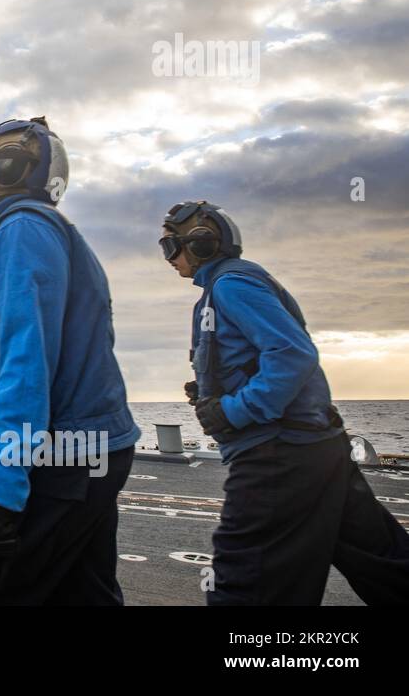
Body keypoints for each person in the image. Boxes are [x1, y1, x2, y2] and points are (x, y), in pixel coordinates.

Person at [0, 117, 140, 606]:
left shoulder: (22, 231)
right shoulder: (38, 232)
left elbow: (26, 362)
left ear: (4, 169)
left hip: (51, 456)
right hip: (83, 450)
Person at [162, 200, 409, 605]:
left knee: (246, 580)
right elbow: (261, 357)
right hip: (315, 448)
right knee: (383, 563)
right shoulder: (226, 287)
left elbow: (293, 354)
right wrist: (211, 389)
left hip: (277, 454)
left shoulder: (231, 285)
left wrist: (234, 409)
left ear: (203, 244)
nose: (169, 258)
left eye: (172, 247)